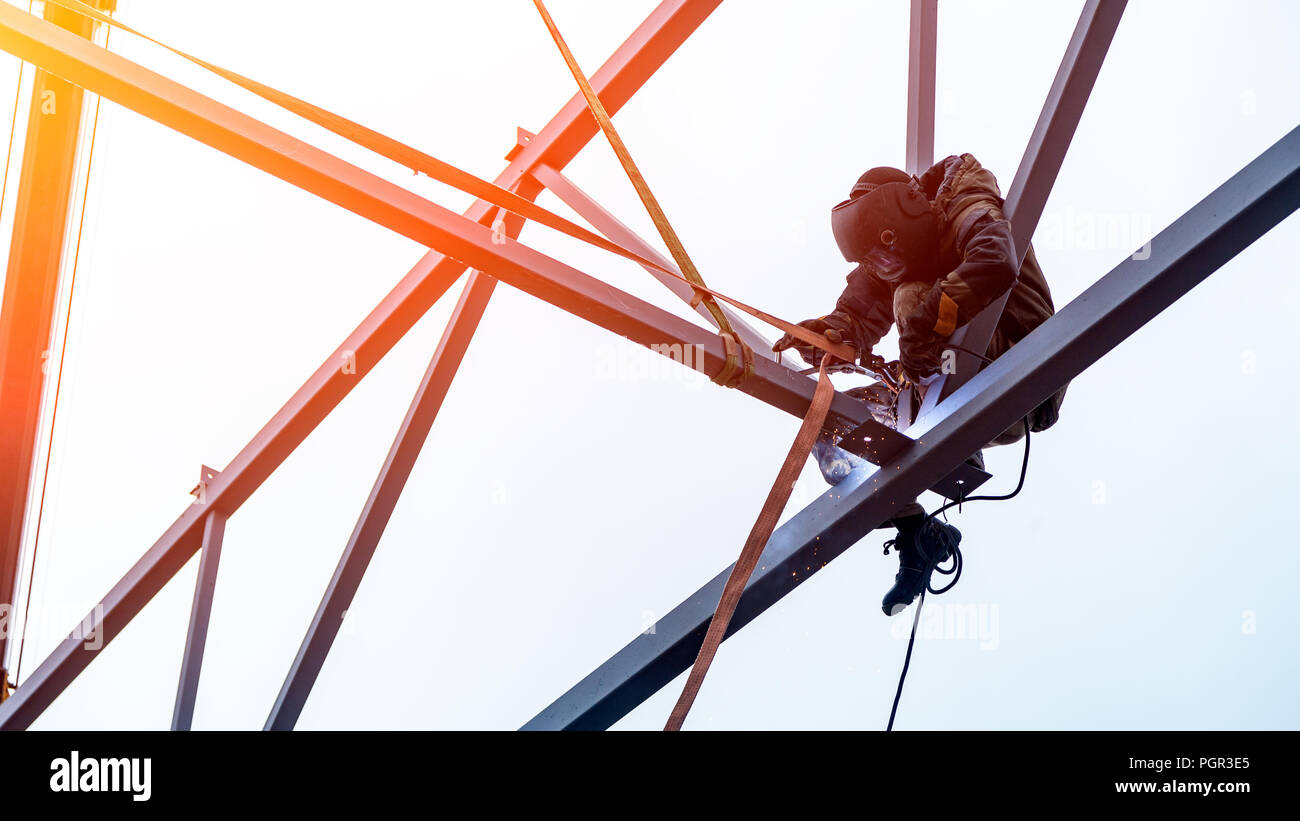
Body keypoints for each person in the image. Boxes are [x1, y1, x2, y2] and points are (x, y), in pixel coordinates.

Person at [773, 156, 1068, 616]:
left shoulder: (963, 198)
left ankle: (949, 419)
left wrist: (924, 325)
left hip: (1022, 366)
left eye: (886, 255)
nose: (885, 268)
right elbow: (862, 304)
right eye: (876, 262)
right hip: (951, 376)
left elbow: (995, 258)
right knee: (831, 426)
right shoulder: (900, 255)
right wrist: (834, 334)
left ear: (906, 214)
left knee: (911, 295)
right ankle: (917, 533)